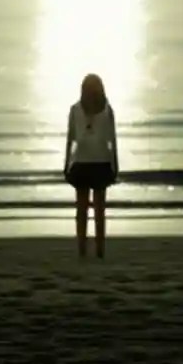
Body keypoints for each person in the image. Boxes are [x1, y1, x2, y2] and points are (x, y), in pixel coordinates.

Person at [63, 73, 119, 259]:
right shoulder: (102, 110)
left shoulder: (102, 110)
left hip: (87, 162)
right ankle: (97, 250)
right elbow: (112, 142)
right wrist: (115, 164)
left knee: (83, 210)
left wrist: (66, 164)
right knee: (97, 210)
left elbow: (70, 140)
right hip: (96, 162)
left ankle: (84, 249)